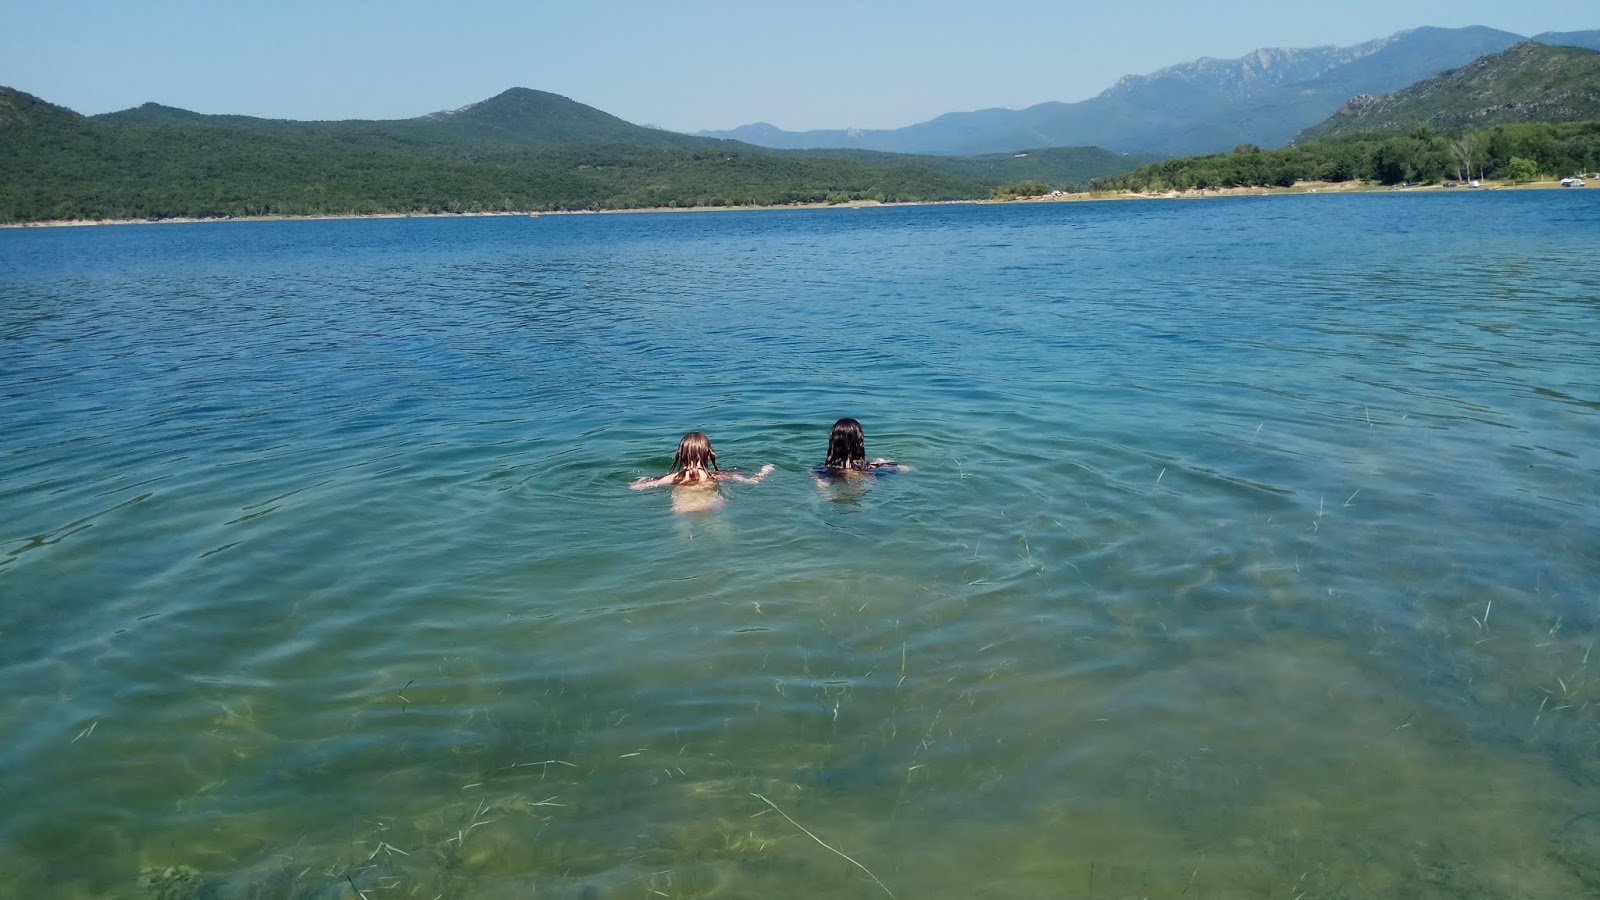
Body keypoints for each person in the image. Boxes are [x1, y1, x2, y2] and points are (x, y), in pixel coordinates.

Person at [631, 431, 773, 511]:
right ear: (708, 454)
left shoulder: (674, 478)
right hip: (712, 505)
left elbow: (637, 487)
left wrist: (643, 480)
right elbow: (752, 481)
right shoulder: (716, 476)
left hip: (682, 508)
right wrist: (764, 471)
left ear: (681, 454)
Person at [813, 418, 909, 481]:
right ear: (859, 442)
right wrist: (883, 463)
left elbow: (823, 492)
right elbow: (907, 469)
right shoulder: (871, 469)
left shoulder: (820, 471)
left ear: (833, 442)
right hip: (865, 477)